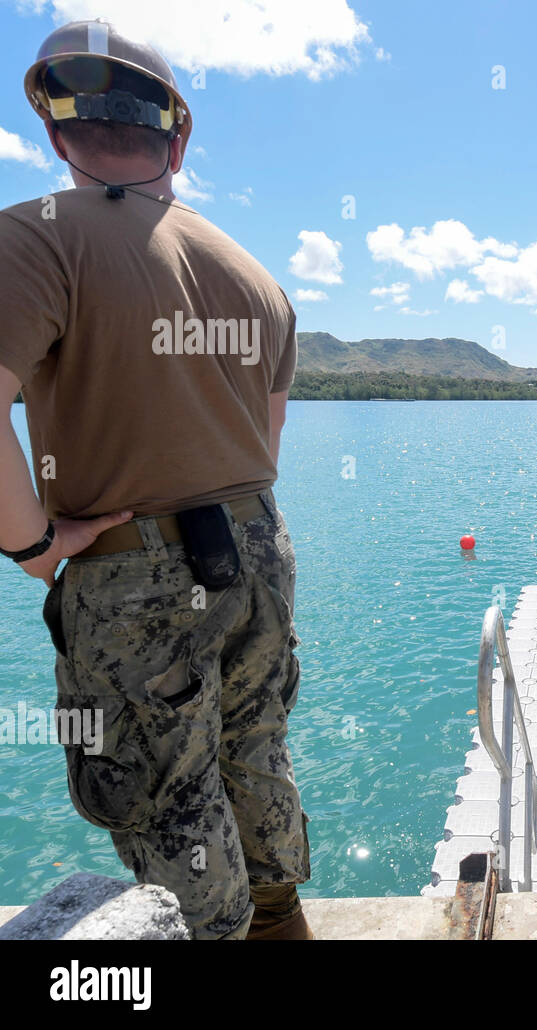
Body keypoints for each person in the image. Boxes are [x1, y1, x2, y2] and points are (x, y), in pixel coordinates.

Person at [0, 20, 310, 939]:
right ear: (178, 138)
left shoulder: (34, 238)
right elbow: (268, 441)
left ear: (53, 130)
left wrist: (31, 546)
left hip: (134, 571)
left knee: (168, 800)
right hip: (259, 552)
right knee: (255, 752)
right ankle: (280, 919)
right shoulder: (255, 277)